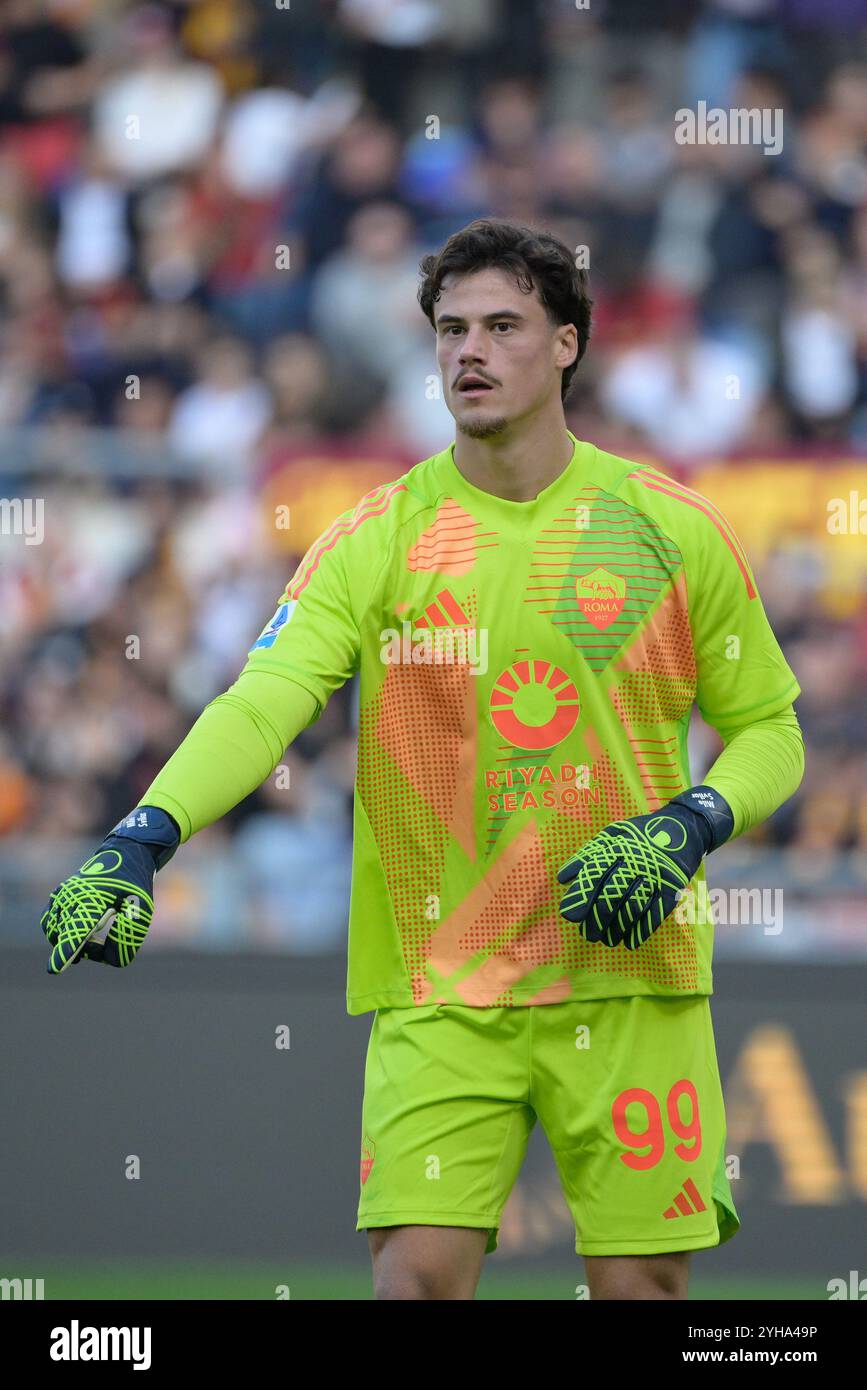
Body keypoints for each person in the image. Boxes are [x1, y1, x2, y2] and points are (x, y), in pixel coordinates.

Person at [40, 217, 805, 1300]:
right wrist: (142, 835)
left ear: (568, 345)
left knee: (643, 1291)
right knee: (415, 1286)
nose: (470, 352)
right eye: (450, 330)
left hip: (629, 972)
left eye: (502, 325)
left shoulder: (669, 529)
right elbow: (263, 703)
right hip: (443, 978)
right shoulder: (375, 538)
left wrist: (688, 827)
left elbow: (772, 729)